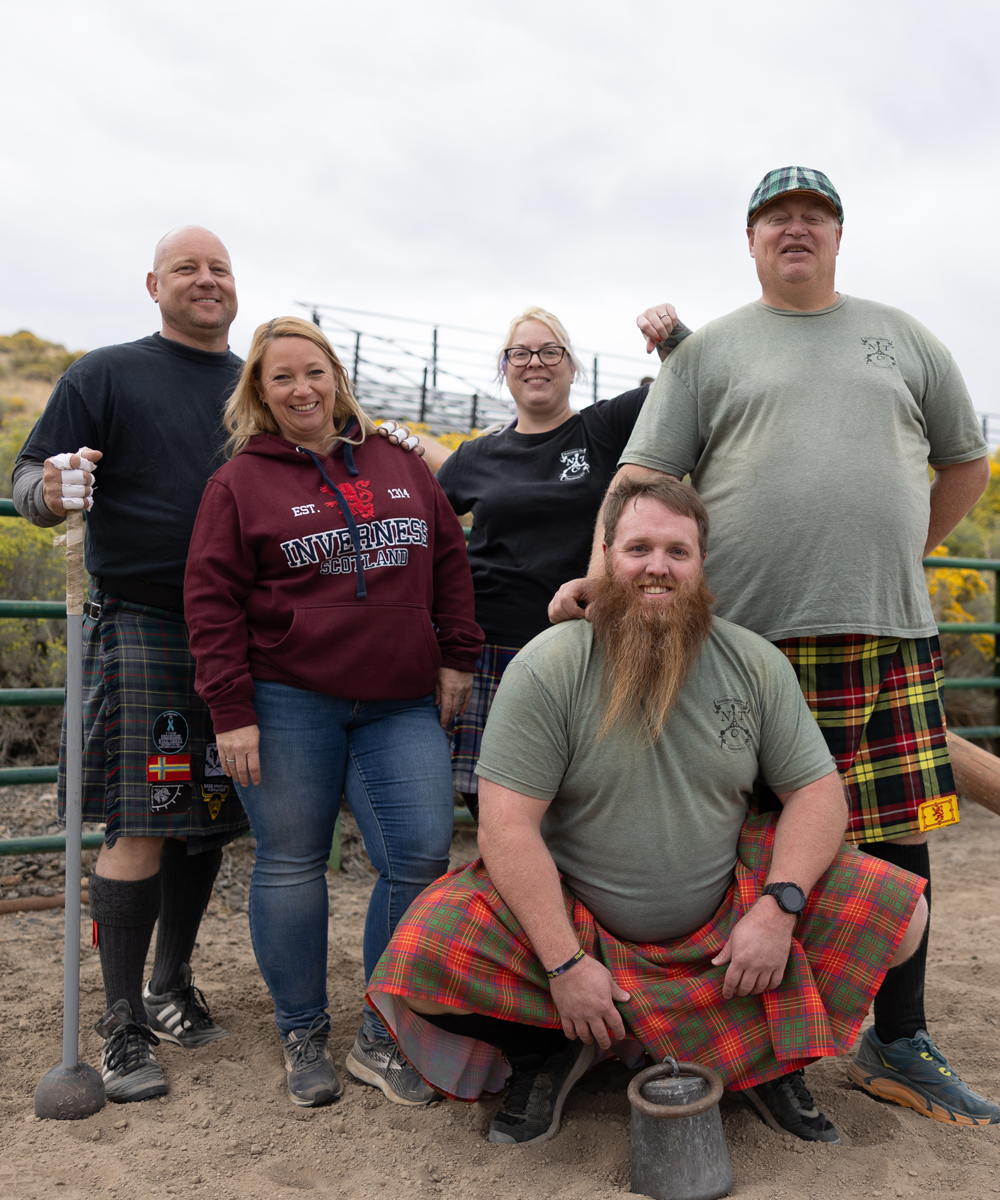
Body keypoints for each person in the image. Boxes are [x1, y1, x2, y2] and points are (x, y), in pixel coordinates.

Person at [549, 167, 999, 1126]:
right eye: (777, 218)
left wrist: (896, 545)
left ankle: (899, 1038)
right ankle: (766, 1046)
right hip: (747, 638)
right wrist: (602, 578)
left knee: (894, 836)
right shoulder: (709, 352)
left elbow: (963, 461)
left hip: (885, 628)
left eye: (814, 217)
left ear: (839, 235)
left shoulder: (905, 337)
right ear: (751, 241)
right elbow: (641, 475)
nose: (796, 230)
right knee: (746, 842)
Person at [366, 477, 929, 1147]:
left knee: (905, 918)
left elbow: (816, 792)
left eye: (677, 551)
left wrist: (778, 908)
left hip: (726, 922)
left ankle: (766, 1063)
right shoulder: (548, 666)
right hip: (582, 924)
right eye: (638, 548)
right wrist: (565, 965)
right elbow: (505, 826)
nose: (657, 566)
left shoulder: (754, 663)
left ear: (701, 563)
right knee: (422, 960)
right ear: (605, 556)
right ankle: (547, 1050)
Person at [183, 316, 483, 1109]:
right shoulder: (239, 483)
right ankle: (302, 1030)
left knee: (419, 855)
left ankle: (383, 1033)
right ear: (259, 391)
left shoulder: (397, 462)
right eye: (281, 377)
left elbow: (450, 559)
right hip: (286, 700)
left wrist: (457, 653)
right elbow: (210, 602)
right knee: (290, 861)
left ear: (336, 376)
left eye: (312, 371)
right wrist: (231, 709)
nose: (301, 389)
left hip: (398, 701)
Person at [434, 306, 690, 814]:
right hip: (493, 651)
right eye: (520, 354)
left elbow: (688, 383)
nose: (536, 363)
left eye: (551, 351)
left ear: (573, 367)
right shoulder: (474, 456)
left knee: (580, 804)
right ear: (503, 369)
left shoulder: (603, 426)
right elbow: (429, 541)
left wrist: (672, 338)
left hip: (585, 645)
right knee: (495, 805)